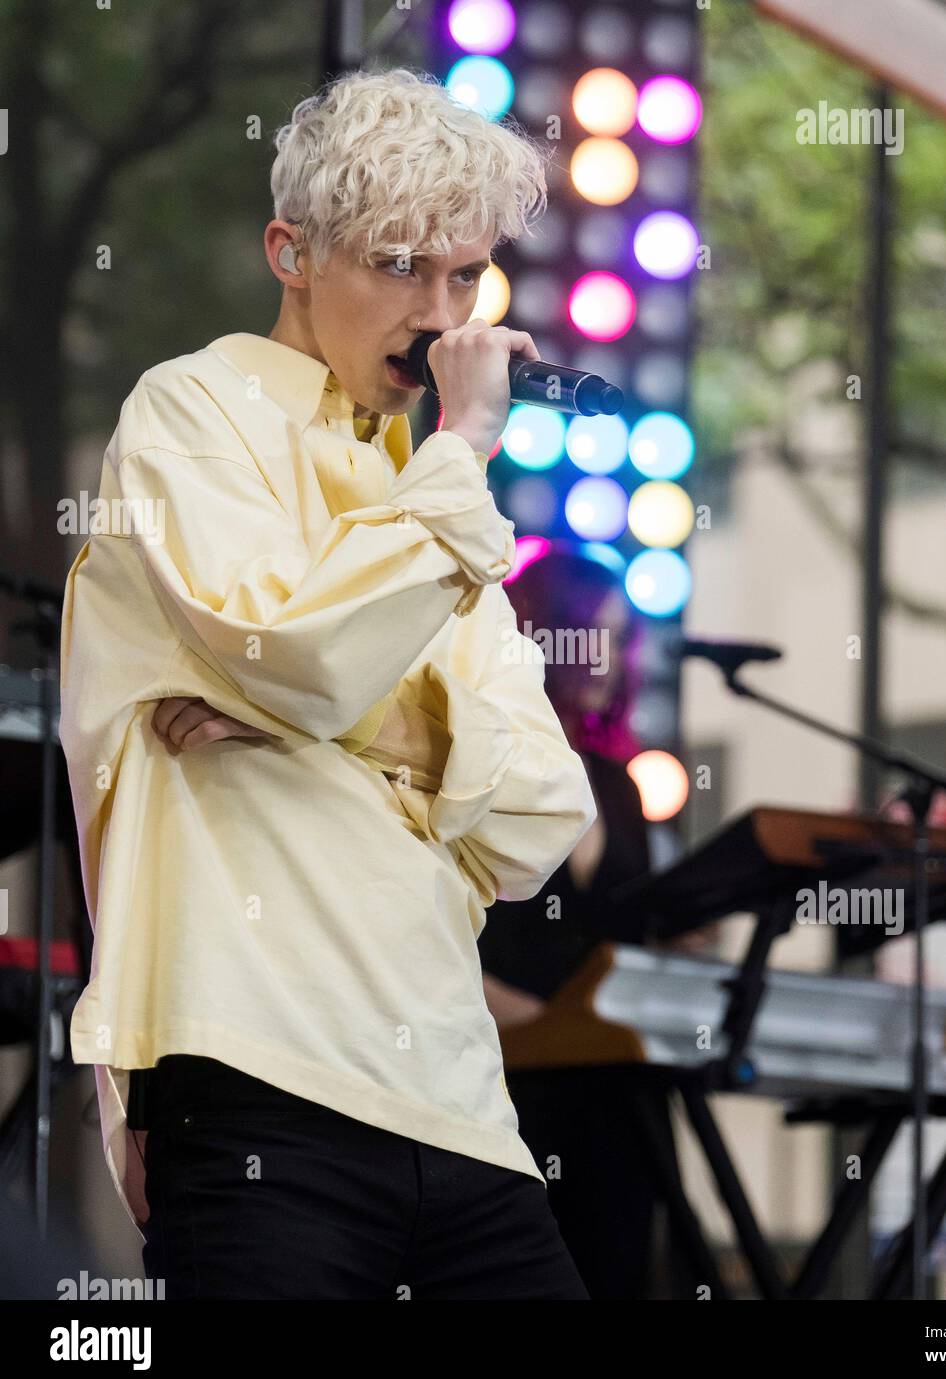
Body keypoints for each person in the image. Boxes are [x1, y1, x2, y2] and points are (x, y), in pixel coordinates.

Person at [58, 68, 597, 1300]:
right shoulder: (192, 413)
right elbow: (294, 657)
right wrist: (455, 462)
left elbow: (538, 814)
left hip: (463, 1104)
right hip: (256, 1082)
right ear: (290, 252)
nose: (439, 312)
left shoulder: (426, 504)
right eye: (400, 267)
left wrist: (334, 714)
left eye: (464, 277)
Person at [477, 547, 718, 1299]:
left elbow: (623, 930)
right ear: (541, 634)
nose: (607, 657)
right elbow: (435, 930)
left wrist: (677, 936)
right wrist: (547, 1026)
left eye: (620, 636)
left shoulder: (620, 785)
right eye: (592, 632)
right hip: (495, 1075)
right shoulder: (479, 759)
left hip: (609, 1086)